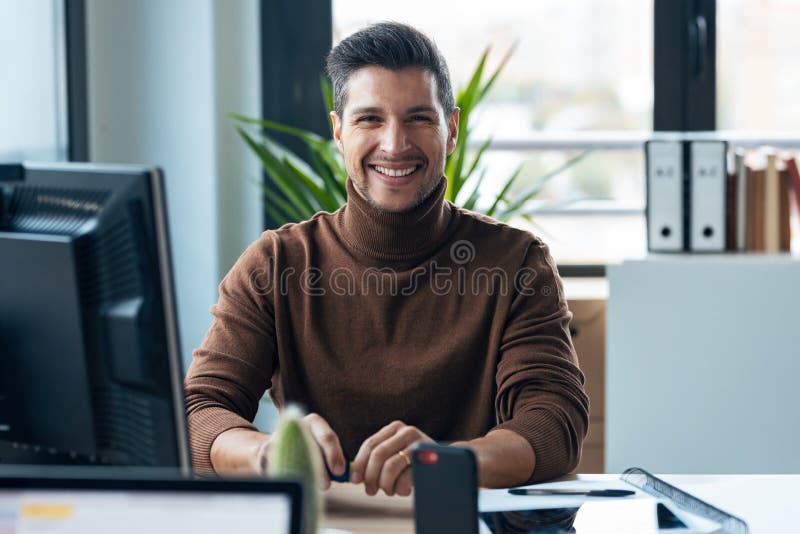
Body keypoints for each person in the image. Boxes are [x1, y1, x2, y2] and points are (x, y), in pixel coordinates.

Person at [184, 21, 588, 497]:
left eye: (418, 118)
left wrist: (448, 464)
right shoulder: (276, 263)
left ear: (451, 130)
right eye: (369, 119)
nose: (394, 144)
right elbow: (199, 411)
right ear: (338, 131)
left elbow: (554, 421)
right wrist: (265, 453)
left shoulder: (517, 263)